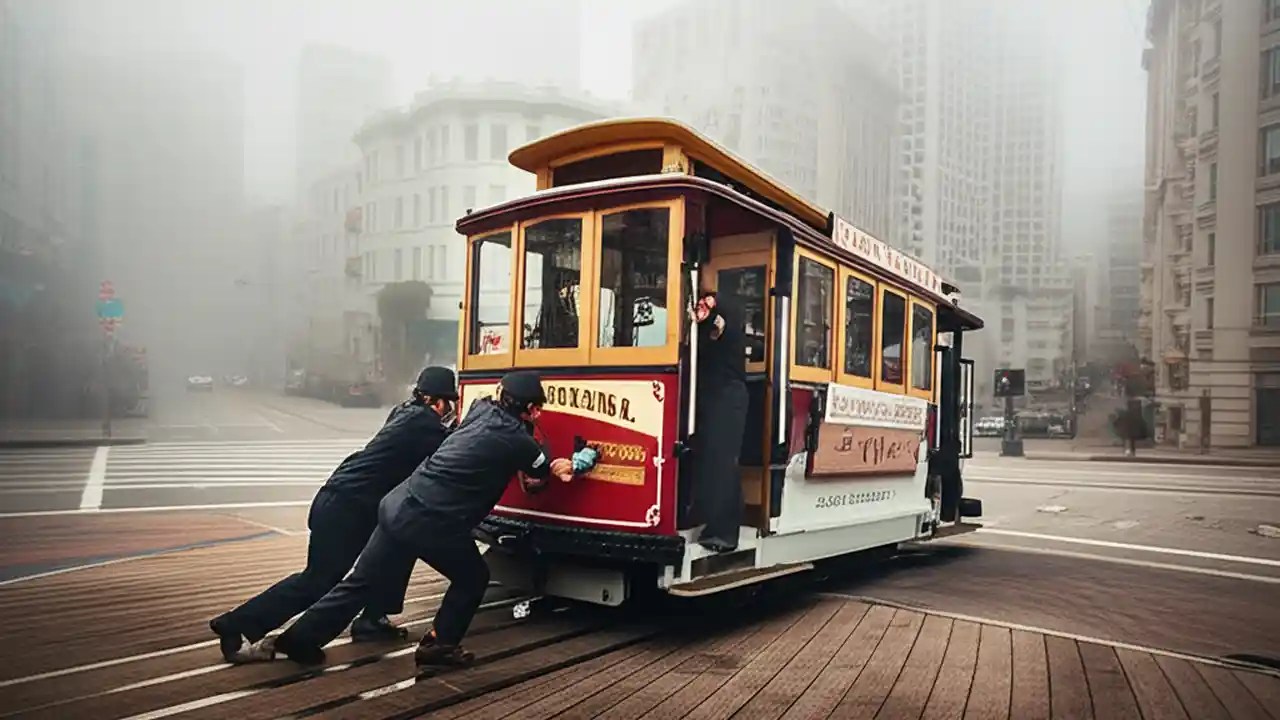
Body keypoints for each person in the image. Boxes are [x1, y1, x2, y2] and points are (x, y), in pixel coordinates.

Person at [237, 370, 577, 669]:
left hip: (398, 504)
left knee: (359, 583)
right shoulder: (516, 439)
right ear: (533, 410)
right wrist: (559, 462)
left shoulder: (479, 410)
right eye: (537, 409)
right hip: (432, 520)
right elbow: (539, 471)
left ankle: (299, 641)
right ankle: (439, 646)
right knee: (473, 578)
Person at [209, 366, 458, 662]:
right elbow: (454, 452)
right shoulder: (425, 423)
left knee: (391, 553)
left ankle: (372, 621)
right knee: (319, 580)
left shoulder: (403, 412)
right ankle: (237, 625)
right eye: (449, 403)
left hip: (343, 500)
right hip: (346, 507)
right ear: (439, 402)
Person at [690, 286, 748, 552]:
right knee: (709, 459)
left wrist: (708, 311)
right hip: (713, 396)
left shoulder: (725, 326)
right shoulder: (720, 328)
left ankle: (725, 531)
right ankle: (706, 518)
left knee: (723, 462)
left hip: (727, 398)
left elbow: (714, 326)